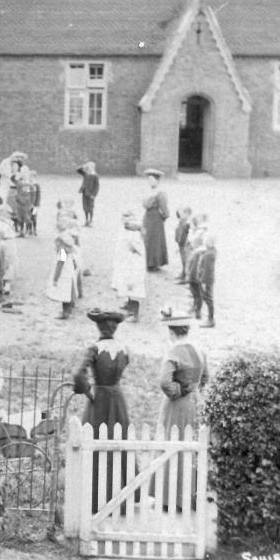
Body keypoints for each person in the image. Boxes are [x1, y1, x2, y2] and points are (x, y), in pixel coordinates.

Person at [72, 308, 131, 514]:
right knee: (119, 442)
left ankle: (95, 497)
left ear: (98, 327)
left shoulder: (94, 348)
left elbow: (78, 374)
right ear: (115, 328)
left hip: (99, 400)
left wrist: (88, 391)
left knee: (95, 443)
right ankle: (119, 497)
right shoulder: (124, 349)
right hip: (117, 399)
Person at [155, 307, 210, 511]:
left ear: (171, 332)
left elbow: (163, 381)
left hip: (176, 405)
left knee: (172, 442)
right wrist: (195, 391)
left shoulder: (173, 351)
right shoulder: (200, 350)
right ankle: (190, 497)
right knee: (191, 445)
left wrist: (178, 391)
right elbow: (206, 378)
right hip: (195, 402)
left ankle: (169, 498)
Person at [111, 211, 147, 322]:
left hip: (134, 269)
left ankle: (135, 316)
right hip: (130, 267)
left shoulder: (134, 239)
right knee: (130, 290)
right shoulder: (131, 237)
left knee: (134, 291)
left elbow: (138, 252)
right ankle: (131, 310)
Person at [46, 230, 79, 320]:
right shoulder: (71, 252)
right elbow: (75, 263)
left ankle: (65, 312)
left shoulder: (63, 253)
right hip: (70, 274)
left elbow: (59, 266)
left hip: (63, 275)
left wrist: (55, 278)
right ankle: (70, 307)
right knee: (70, 291)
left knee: (64, 293)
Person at [141, 169, 169, 271]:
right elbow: (144, 203)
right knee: (147, 238)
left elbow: (164, 207)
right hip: (148, 216)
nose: (150, 182)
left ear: (157, 181)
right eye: (149, 179)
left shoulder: (160, 192)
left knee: (154, 240)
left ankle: (154, 263)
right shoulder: (149, 191)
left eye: (152, 179)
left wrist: (164, 216)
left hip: (156, 217)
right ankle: (148, 262)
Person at [194, 233, 217, 328]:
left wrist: (203, 282)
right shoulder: (212, 251)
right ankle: (210, 318)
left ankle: (210, 319)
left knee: (208, 299)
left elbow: (207, 270)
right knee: (208, 298)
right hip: (208, 280)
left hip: (206, 281)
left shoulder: (208, 255)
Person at [174, 206, 193, 284]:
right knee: (183, 260)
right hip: (181, 244)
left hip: (184, 244)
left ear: (187, 215)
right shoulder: (181, 222)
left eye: (183, 214)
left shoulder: (186, 224)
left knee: (185, 260)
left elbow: (184, 235)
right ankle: (183, 273)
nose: (180, 216)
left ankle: (185, 275)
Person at [78, 161, 100, 227]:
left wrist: (94, 194)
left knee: (90, 207)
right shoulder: (85, 174)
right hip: (84, 192)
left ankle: (91, 221)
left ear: (93, 168)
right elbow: (78, 170)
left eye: (90, 167)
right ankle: (86, 221)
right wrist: (83, 166)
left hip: (91, 194)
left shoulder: (95, 175)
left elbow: (97, 186)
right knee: (85, 207)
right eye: (88, 167)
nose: (88, 168)